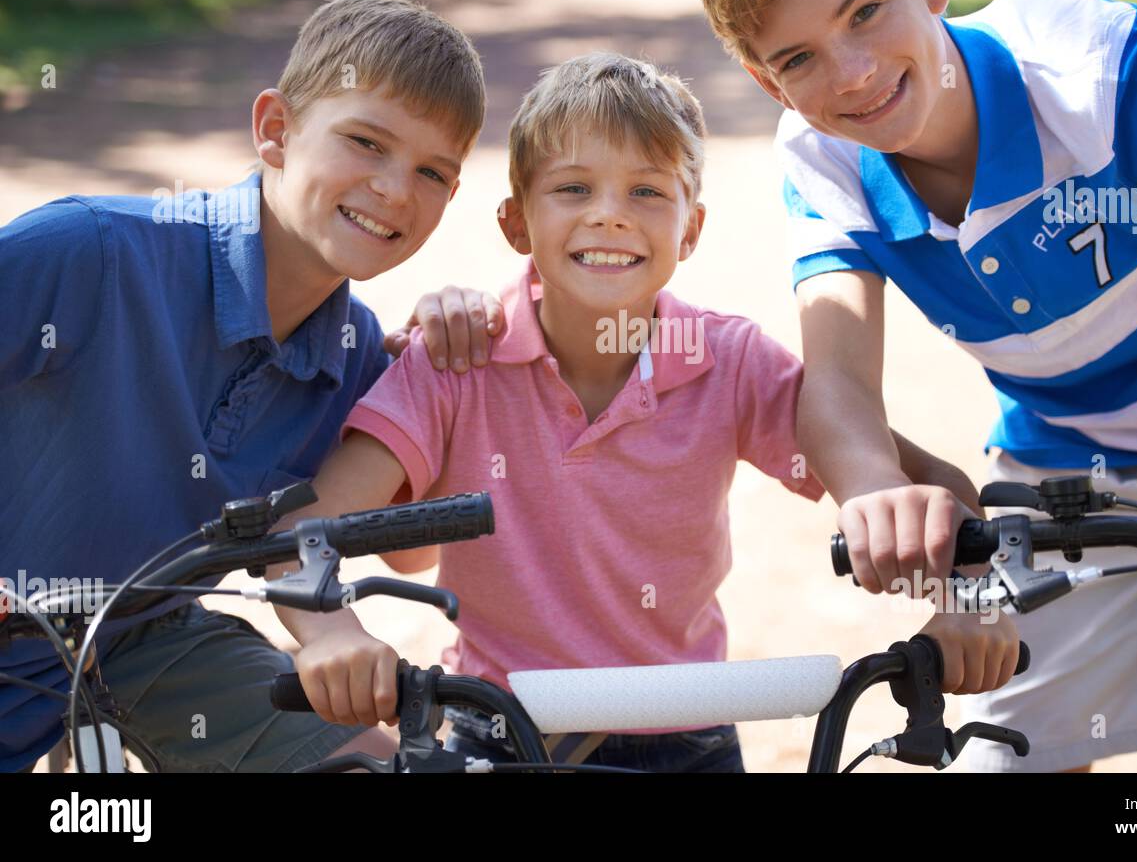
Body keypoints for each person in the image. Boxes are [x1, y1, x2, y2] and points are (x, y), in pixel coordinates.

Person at [272, 51, 1022, 773]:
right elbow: (301, 538)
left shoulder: (726, 363)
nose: (609, 217)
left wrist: (970, 598)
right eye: (572, 189)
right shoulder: (454, 363)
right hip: (497, 727)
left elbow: (926, 484)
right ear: (517, 225)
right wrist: (333, 631)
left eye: (647, 192)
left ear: (690, 229)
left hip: (687, 731)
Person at [694, 0, 1137, 771]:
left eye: (866, 11)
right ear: (769, 82)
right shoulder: (823, 161)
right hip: (1075, 472)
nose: (855, 73)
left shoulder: (1114, 75)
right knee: (999, 757)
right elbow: (837, 383)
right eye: (799, 59)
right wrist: (869, 486)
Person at [0, 0, 504, 772]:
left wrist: (443, 366)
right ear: (275, 130)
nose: (397, 190)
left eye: (432, 172)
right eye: (366, 142)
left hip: (141, 639)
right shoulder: (90, 253)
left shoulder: (357, 350)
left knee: (386, 767)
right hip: (13, 624)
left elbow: (416, 554)